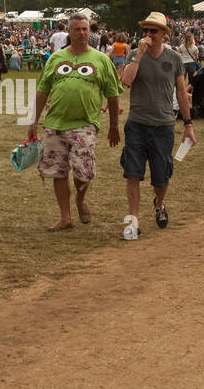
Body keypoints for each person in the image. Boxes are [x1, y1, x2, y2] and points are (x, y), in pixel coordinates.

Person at [28, 13, 122, 232]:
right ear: (69, 32)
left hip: (85, 123)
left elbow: (113, 94)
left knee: (83, 172)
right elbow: (43, 90)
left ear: (90, 31)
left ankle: (80, 199)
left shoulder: (101, 60)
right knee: (58, 172)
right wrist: (34, 120)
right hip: (55, 124)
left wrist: (114, 125)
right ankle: (65, 217)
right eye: (77, 29)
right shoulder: (56, 58)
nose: (82, 33)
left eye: (85, 29)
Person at [118, 12, 194, 237]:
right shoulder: (135, 54)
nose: (148, 35)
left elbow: (181, 92)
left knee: (161, 177)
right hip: (137, 124)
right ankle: (134, 221)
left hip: (164, 125)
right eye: (146, 31)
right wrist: (139, 55)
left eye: (153, 31)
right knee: (132, 173)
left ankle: (159, 203)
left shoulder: (174, 58)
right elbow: (126, 81)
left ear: (164, 34)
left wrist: (188, 124)